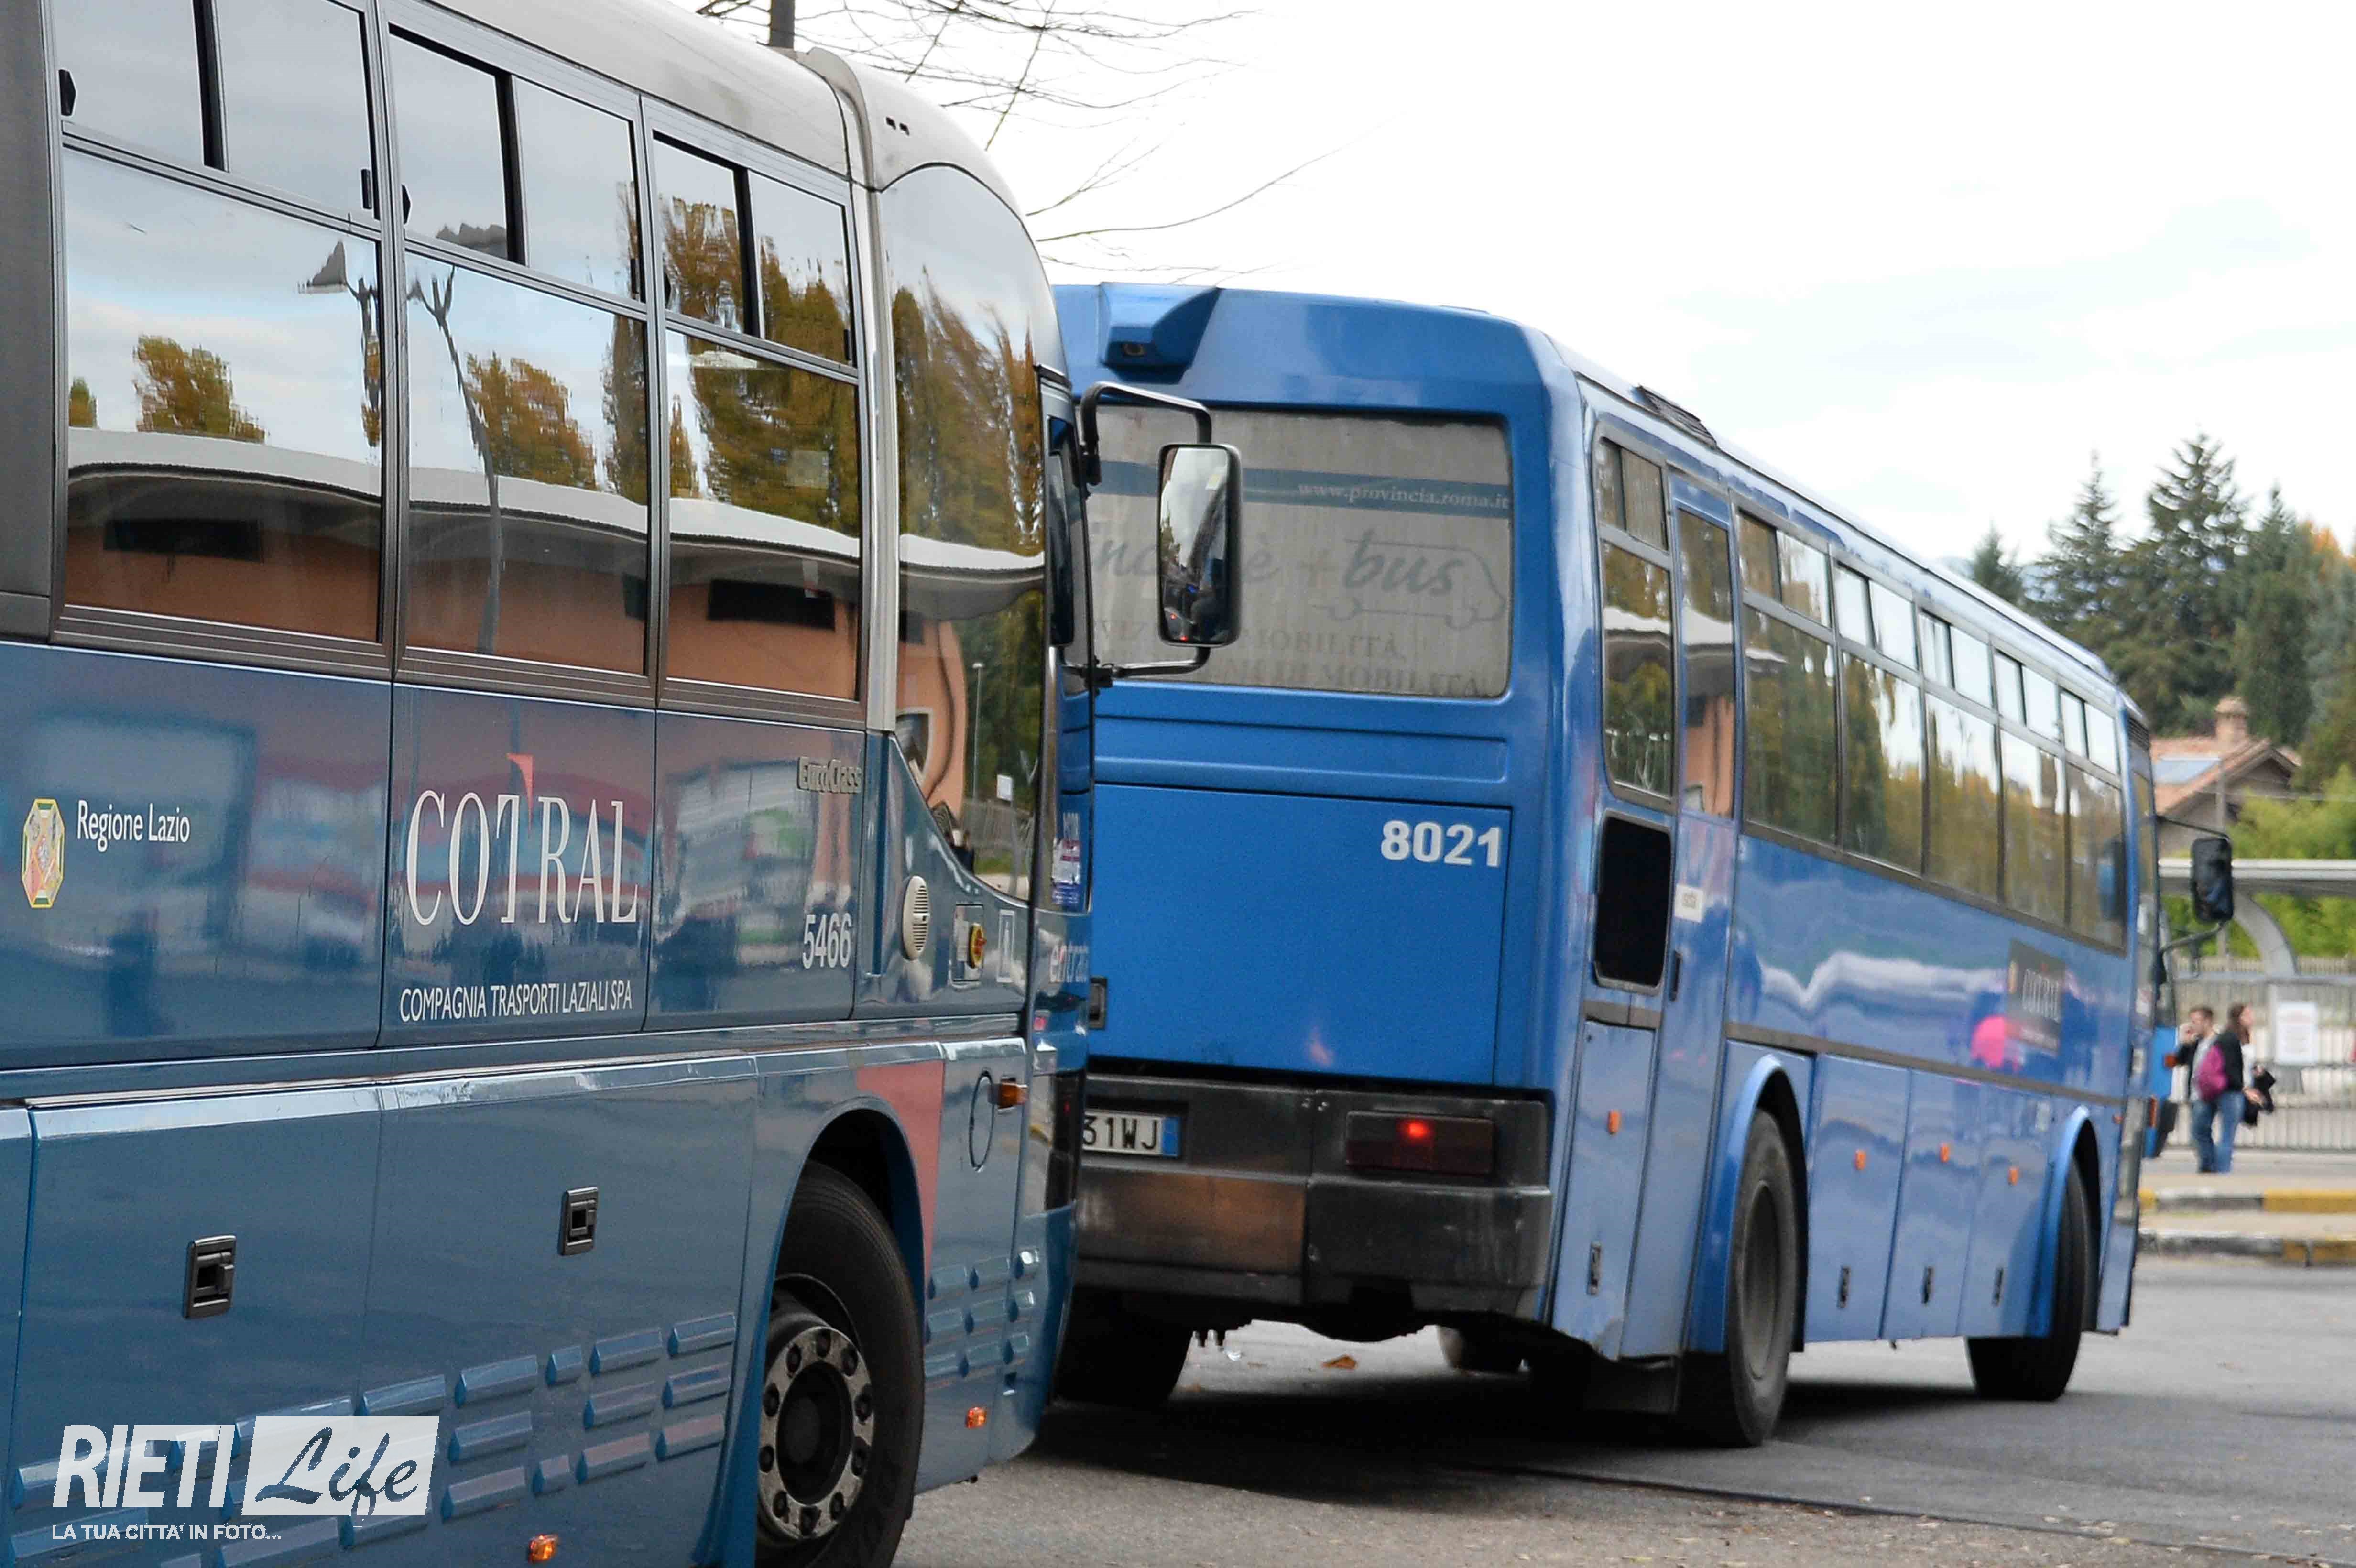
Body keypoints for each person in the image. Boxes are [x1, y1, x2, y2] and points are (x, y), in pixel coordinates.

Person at [2189, 1002, 2250, 1174]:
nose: (2194, 1025)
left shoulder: (2223, 1039)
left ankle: (2216, 1169)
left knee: (2224, 1134)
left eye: (2197, 1021)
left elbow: (2233, 1067)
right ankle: (2215, 1167)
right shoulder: (2223, 1039)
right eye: (2247, 1015)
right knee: (2205, 1132)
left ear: (2208, 1021)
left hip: (2219, 1090)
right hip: (2217, 1091)